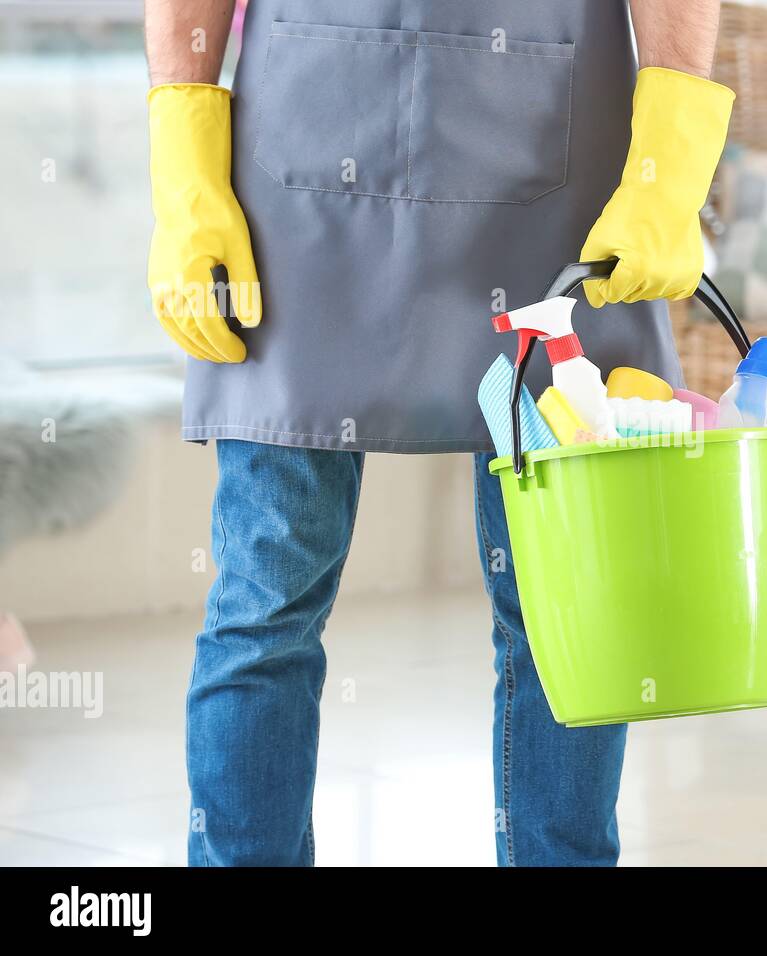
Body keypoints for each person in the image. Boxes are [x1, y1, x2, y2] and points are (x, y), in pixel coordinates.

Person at [143, 0, 733, 866]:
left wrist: (672, 152)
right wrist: (184, 160)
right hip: (301, 167)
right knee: (264, 603)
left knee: (566, 605)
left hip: (559, 155)